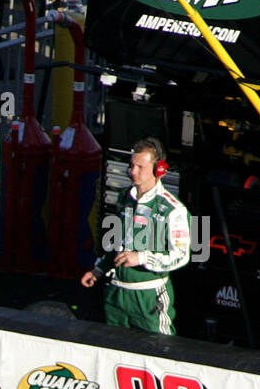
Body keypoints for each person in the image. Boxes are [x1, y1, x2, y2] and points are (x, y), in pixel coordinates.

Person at [81, 137, 191, 334]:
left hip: (148, 296)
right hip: (116, 294)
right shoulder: (125, 197)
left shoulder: (173, 209)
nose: (133, 172)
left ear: (159, 169)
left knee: (158, 354)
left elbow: (182, 256)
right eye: (132, 165)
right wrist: (99, 269)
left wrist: (142, 257)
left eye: (141, 167)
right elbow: (116, 242)